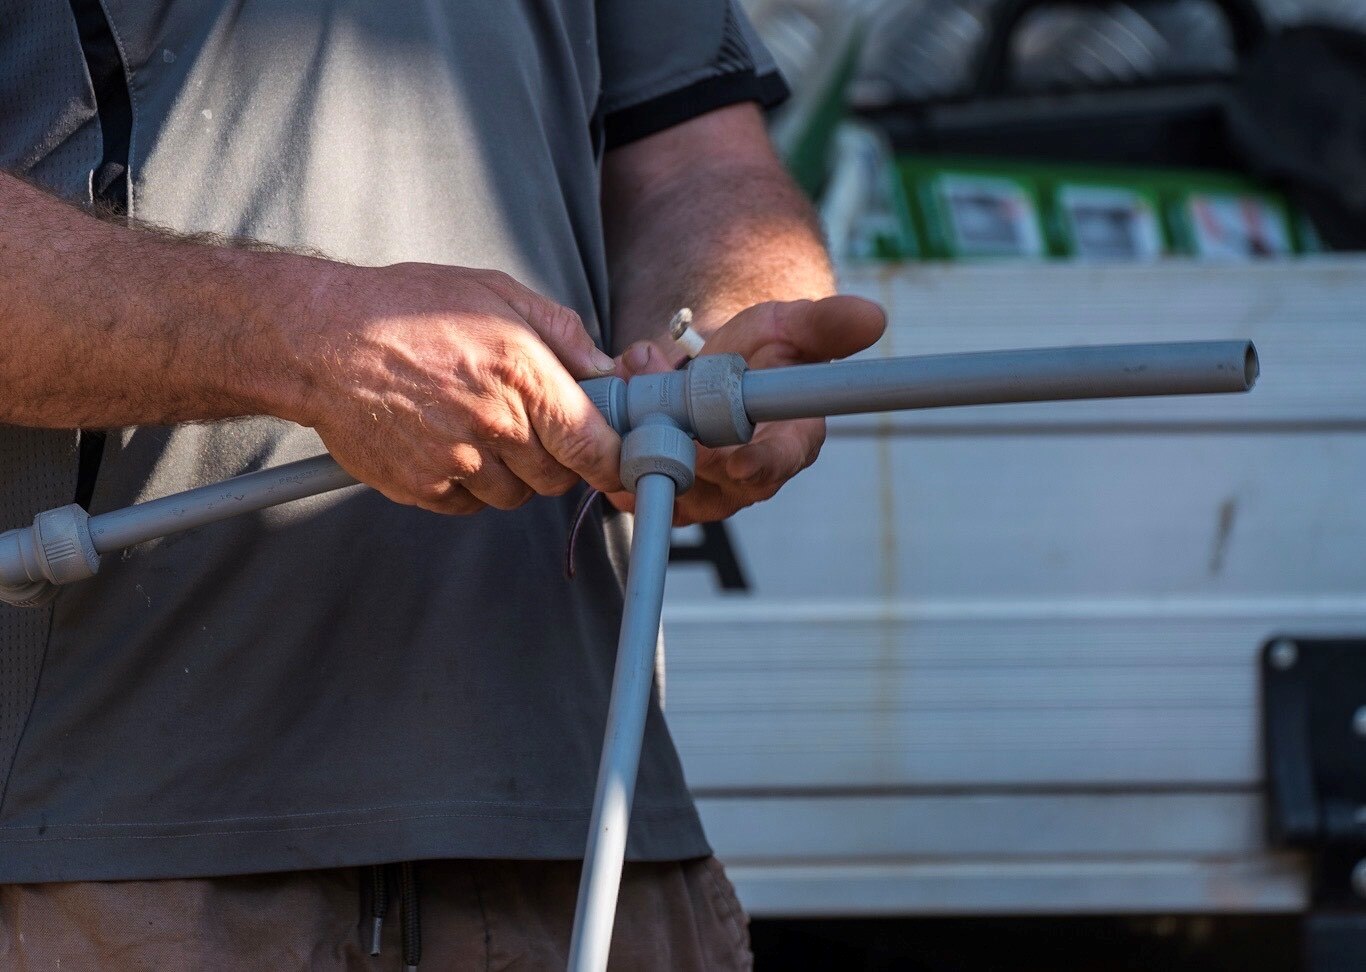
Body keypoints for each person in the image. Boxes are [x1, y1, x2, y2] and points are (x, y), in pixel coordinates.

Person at [0, 1, 884, 968]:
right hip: (97, 852)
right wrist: (309, 335)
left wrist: (719, 346)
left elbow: (695, 163)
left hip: (586, 831)